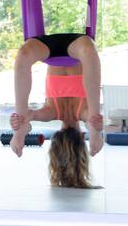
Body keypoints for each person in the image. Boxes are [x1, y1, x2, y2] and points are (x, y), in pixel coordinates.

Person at [9, 32, 105, 188]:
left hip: (50, 49)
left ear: (81, 138)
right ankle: (20, 127)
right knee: (88, 51)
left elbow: (31, 114)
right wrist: (95, 129)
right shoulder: (84, 112)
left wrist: (20, 123)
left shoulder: (51, 113)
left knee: (24, 54)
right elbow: (90, 120)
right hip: (77, 47)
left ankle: (20, 128)